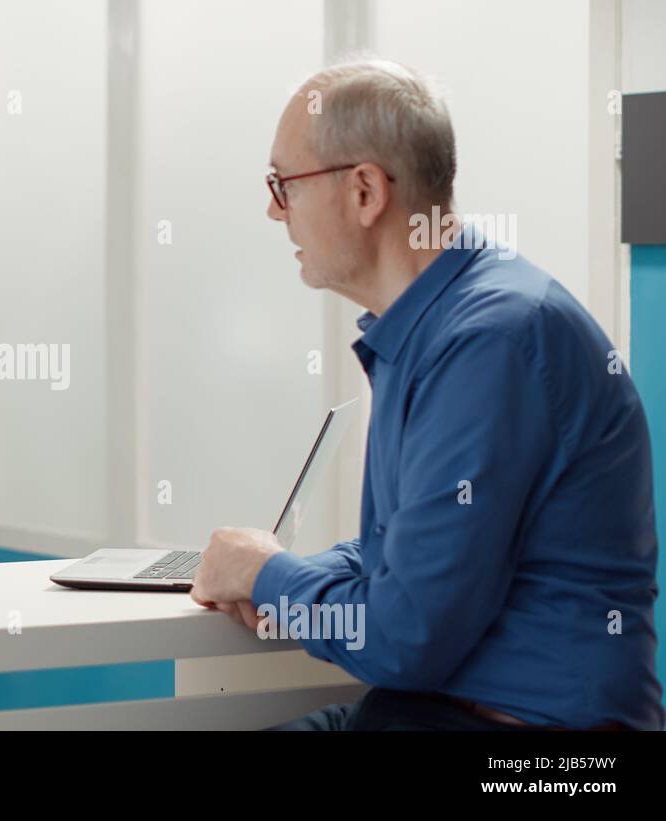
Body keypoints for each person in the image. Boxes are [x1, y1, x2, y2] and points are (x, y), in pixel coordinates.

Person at [190, 58, 664, 730]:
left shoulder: (489, 342)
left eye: (283, 183)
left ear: (363, 192)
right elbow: (413, 550)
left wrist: (269, 578)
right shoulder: (439, 325)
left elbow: (403, 636)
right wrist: (276, 571)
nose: (272, 209)